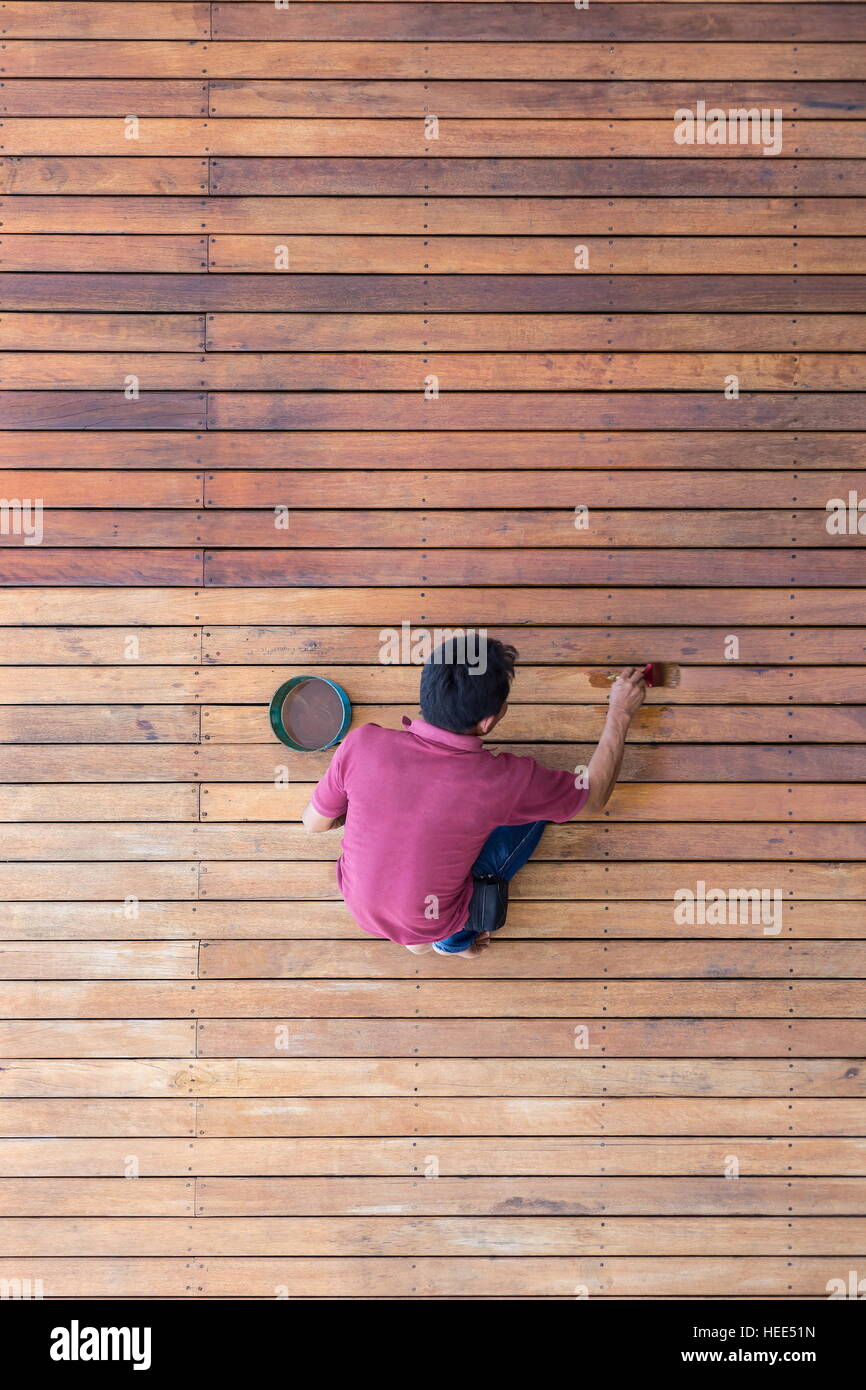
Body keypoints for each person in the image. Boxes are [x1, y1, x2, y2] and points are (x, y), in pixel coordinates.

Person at [302, 635, 646, 959]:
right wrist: (620, 711)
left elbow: (314, 824)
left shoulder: (363, 743)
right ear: (487, 721)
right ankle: (453, 941)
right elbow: (595, 796)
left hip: (359, 907)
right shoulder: (504, 781)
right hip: (433, 921)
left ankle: (421, 940)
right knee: (539, 810)